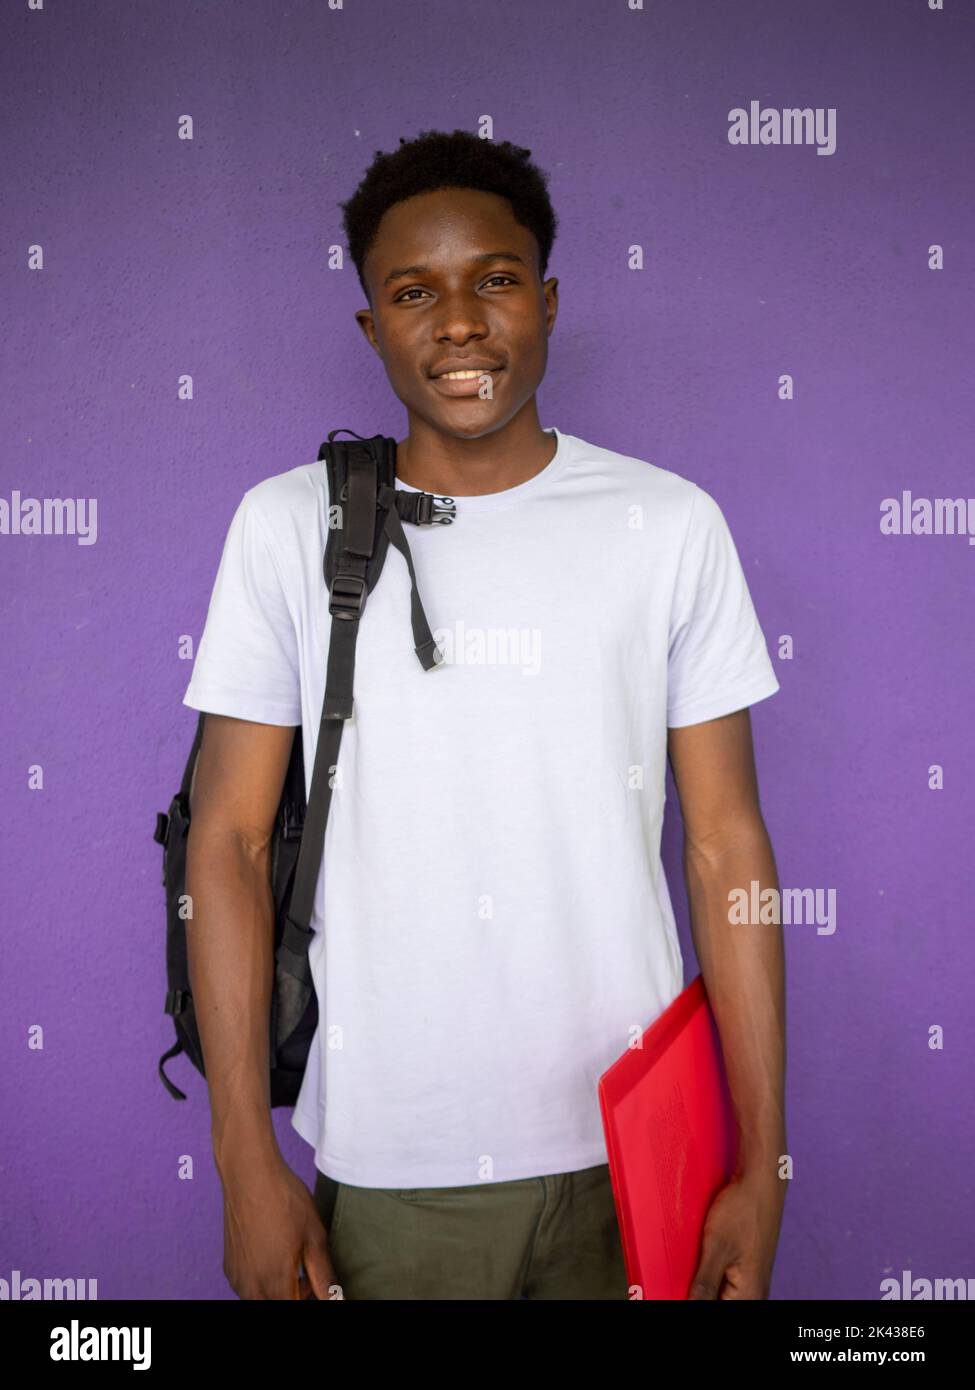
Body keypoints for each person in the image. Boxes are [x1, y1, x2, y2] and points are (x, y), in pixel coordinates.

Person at [182, 128, 787, 1301]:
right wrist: (243, 1161)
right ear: (372, 325)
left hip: (640, 1145)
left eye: (495, 280)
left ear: (549, 302)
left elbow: (727, 849)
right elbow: (229, 844)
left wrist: (761, 1164)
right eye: (414, 292)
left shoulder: (667, 525)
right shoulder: (284, 526)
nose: (459, 322)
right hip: (396, 1158)